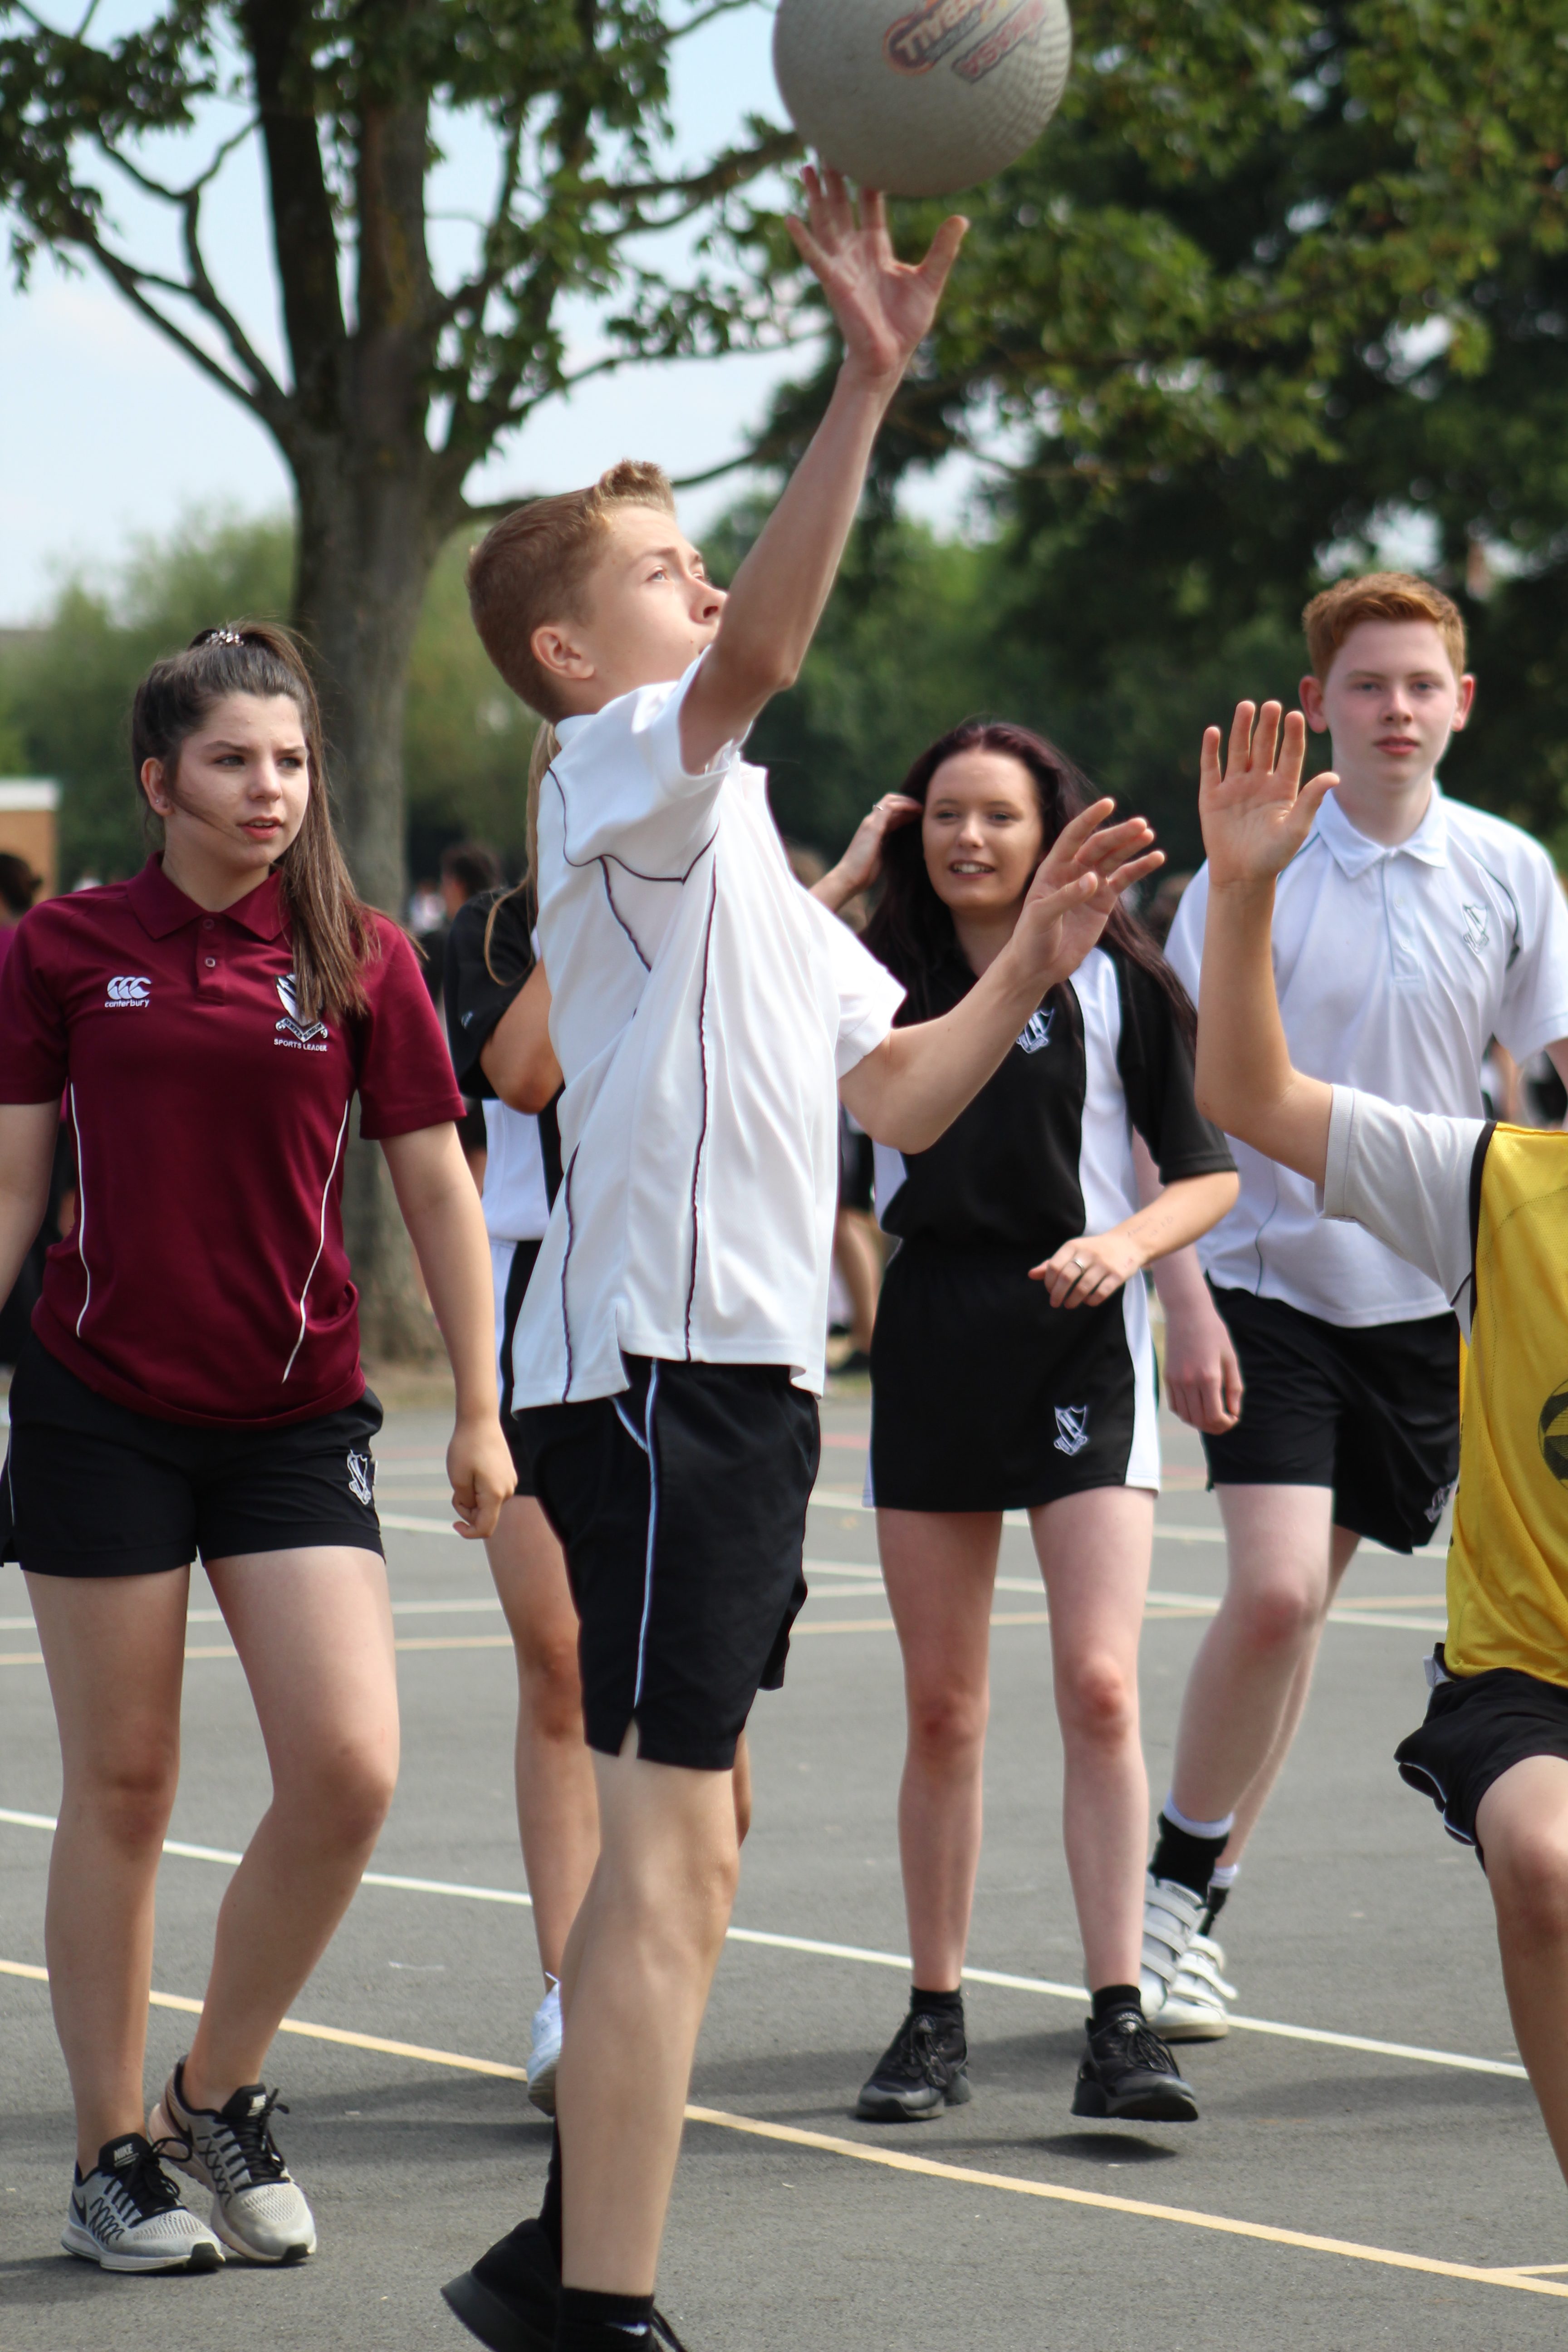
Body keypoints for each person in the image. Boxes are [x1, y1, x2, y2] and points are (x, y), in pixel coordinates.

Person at [441, 170, 1166, 2352]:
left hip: (740, 1379)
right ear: (580, 652)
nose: (706, 591)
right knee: (672, 1852)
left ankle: (554, 2262)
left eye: (695, 559)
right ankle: (606, 2305)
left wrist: (1033, 956)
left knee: (705, 1855)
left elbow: (903, 1100)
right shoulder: (609, 771)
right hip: (648, 1373)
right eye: (663, 572)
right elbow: (762, 646)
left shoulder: (747, 848)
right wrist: (867, 382)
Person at [0, 624, 514, 2275]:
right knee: (127, 1783)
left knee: (351, 1770)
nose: (270, 788)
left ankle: (216, 2089)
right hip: (97, 1409)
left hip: (299, 1415)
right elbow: (14, 1187)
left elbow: (439, 1186)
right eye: (233, 760)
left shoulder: (362, 955)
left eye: (290, 762)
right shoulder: (67, 948)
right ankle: (107, 2159)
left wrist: (486, 1411)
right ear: (160, 783)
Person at [1142, 574, 1568, 2039]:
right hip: (1266, 1277)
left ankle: (1208, 1889)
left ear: (1462, 704)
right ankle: (1175, 1895)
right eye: (1368, 685)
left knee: (1301, 1610)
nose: (1395, 707)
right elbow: (1184, 1104)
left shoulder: (1509, 870)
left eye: (1421, 684)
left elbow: (1555, 1060)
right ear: (1318, 703)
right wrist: (1182, 1290)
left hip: (1441, 1301)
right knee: (1272, 1590)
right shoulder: (1245, 868)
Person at [822, 721, 1236, 2127]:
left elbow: (1204, 1174)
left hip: (1079, 1350)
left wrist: (1129, 1254)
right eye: (944, 814)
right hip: (933, 1345)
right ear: (910, 833)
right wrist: (839, 875)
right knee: (944, 1710)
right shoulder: (871, 981)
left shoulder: (1118, 981)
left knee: (1102, 1687)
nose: (970, 839)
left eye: (999, 814)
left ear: (1048, 827)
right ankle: (934, 2013)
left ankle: (1121, 2017)